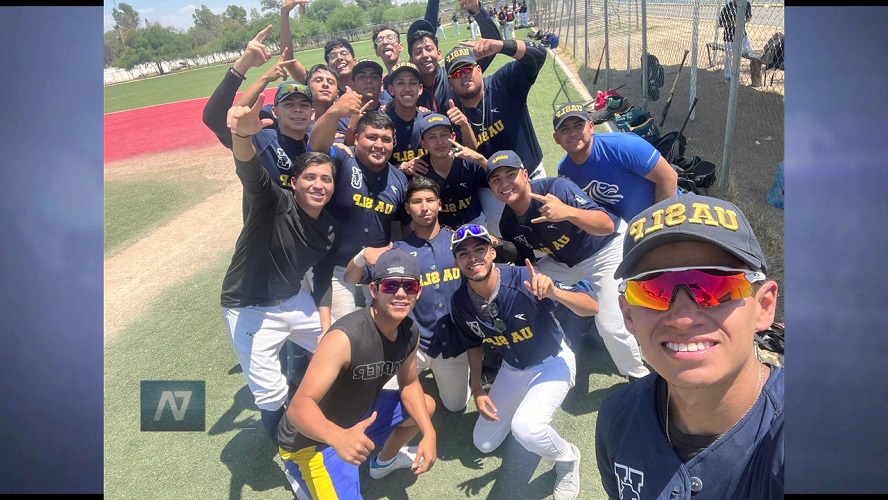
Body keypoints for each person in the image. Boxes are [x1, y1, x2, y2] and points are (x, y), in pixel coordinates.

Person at [596, 192, 783, 499]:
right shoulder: (617, 417)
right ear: (628, 314)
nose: (683, 318)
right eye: (653, 290)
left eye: (716, 286)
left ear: (763, 306)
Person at [221, 93, 339, 446]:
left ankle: (318, 407)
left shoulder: (329, 228)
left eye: (327, 179)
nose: (319, 185)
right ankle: (284, 444)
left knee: (337, 353)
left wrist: (326, 321)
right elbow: (250, 171)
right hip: (249, 307)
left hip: (293, 299)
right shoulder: (271, 200)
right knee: (270, 396)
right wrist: (242, 136)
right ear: (295, 182)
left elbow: (321, 279)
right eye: (311, 178)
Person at [449, 223, 598, 500]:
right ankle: (525, 413)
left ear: (493, 253)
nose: (473, 258)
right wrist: (478, 389)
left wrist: (554, 292)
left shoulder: (525, 279)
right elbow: (473, 343)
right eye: (463, 253)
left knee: (526, 429)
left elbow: (591, 307)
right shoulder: (460, 301)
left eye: (480, 249)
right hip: (512, 369)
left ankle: (568, 457)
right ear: (457, 262)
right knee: (484, 443)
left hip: (551, 363)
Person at [278, 249, 438, 499]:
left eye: (409, 286)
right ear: (374, 291)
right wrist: (337, 436)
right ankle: (299, 473)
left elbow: (409, 383)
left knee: (424, 407)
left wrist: (430, 432)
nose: (400, 293)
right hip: (312, 441)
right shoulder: (344, 337)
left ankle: (383, 462)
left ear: (418, 291)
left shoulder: (409, 331)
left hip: (358, 416)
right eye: (390, 285)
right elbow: (298, 408)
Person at [488, 150, 651, 380]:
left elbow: (607, 225)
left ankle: (639, 375)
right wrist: (498, 246)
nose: (504, 183)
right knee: (525, 285)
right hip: (564, 260)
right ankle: (558, 330)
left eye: (510, 174)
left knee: (610, 325)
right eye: (496, 180)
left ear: (525, 174)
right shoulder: (508, 223)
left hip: (604, 250)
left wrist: (568, 213)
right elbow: (526, 260)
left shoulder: (556, 189)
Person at [308, 110, 410, 322]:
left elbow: (400, 228)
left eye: (386, 139)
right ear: (356, 138)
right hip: (335, 267)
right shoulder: (343, 159)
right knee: (343, 329)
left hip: (375, 266)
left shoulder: (399, 180)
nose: (379, 145)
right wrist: (336, 112)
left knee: (383, 324)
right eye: (371, 137)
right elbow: (317, 147)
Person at [442, 40, 549, 238]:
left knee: (550, 230)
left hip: (531, 177)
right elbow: (468, 154)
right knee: (507, 240)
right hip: (491, 192)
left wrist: (501, 46)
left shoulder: (504, 83)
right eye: (456, 74)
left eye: (467, 69)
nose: (463, 76)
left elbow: (539, 54)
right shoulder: (450, 110)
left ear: (479, 69)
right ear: (450, 83)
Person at [552, 102, 679, 223]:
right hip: (633, 231)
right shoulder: (565, 171)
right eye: (564, 129)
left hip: (675, 212)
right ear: (556, 138)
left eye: (578, 125)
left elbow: (669, 177)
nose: (573, 133)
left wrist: (660, 226)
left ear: (591, 127)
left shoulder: (623, 146)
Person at [406, 0, 502, 114]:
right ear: (411, 60)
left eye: (429, 49)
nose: (425, 55)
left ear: (439, 53)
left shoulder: (456, 74)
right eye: (417, 52)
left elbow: (493, 42)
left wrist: (476, 10)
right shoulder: (409, 90)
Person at [411, 113, 488, 229]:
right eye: (432, 137)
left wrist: (480, 158)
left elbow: (497, 178)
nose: (439, 142)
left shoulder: (468, 160)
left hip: (474, 226)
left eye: (444, 135)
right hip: (439, 230)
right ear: (423, 144)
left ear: (453, 137)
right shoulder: (419, 168)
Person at [718, 0, 753, 83]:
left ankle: (754, 76)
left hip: (742, 34)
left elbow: (749, 17)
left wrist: (741, 20)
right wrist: (731, 22)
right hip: (729, 37)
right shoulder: (727, 8)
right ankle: (728, 76)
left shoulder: (746, 3)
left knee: (751, 53)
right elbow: (720, 24)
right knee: (728, 56)